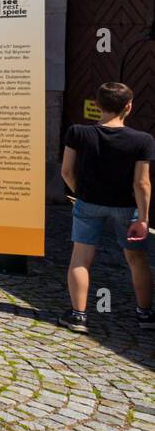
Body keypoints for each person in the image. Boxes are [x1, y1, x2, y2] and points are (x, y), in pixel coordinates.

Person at [58, 82, 154, 332]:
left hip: (89, 202)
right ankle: (145, 315)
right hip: (126, 206)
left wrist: (81, 193)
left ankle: (78, 316)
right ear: (129, 107)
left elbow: (66, 171)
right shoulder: (143, 140)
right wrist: (143, 218)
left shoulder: (78, 133)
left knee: (81, 258)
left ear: (98, 106)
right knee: (137, 259)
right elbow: (141, 183)